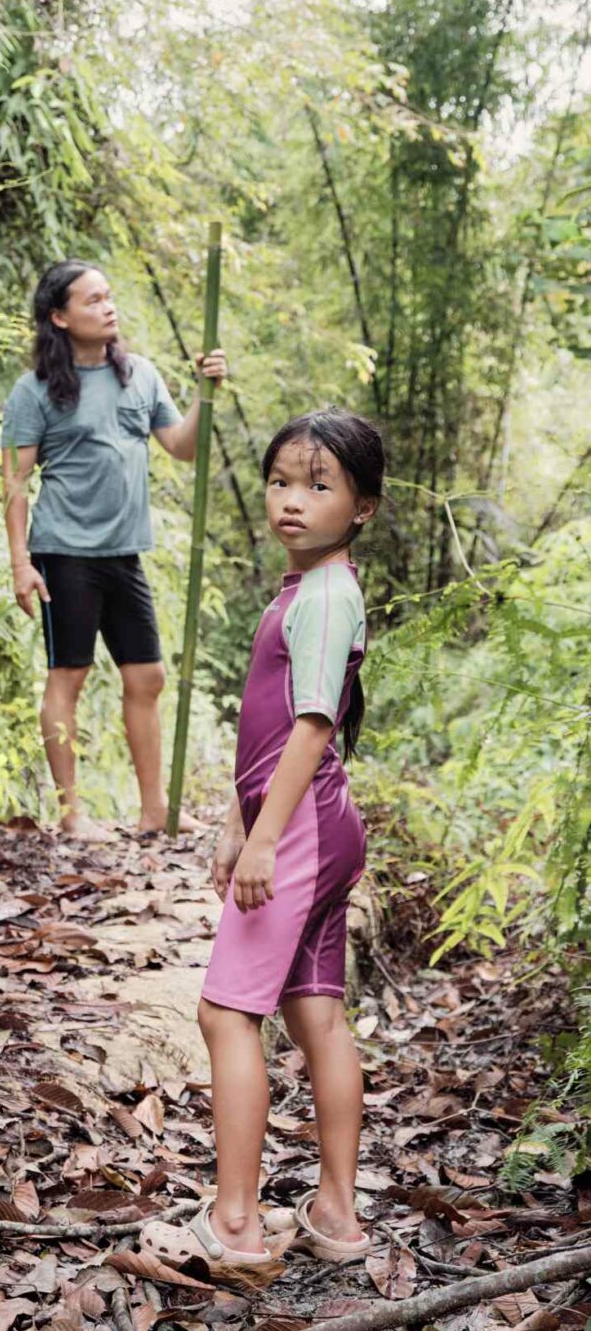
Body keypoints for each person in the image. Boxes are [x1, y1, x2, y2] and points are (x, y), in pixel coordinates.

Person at [139, 408, 384, 1275]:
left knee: (224, 1012)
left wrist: (265, 842)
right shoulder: (308, 590)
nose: (293, 499)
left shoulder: (326, 595)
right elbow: (272, 727)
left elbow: (314, 724)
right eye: (283, 481)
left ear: (363, 509)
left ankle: (235, 1224)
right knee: (314, 1010)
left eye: (320, 486)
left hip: (306, 831)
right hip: (317, 824)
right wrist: (239, 820)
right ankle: (337, 1216)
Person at [0, 258, 227, 840]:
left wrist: (206, 394)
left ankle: (155, 810)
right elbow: (15, 483)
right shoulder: (35, 391)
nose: (108, 306)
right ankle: (72, 815)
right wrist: (21, 563)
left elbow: (181, 447)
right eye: (92, 299)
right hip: (63, 554)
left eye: (109, 296)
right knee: (67, 677)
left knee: (147, 676)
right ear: (59, 316)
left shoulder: (140, 375)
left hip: (124, 553)